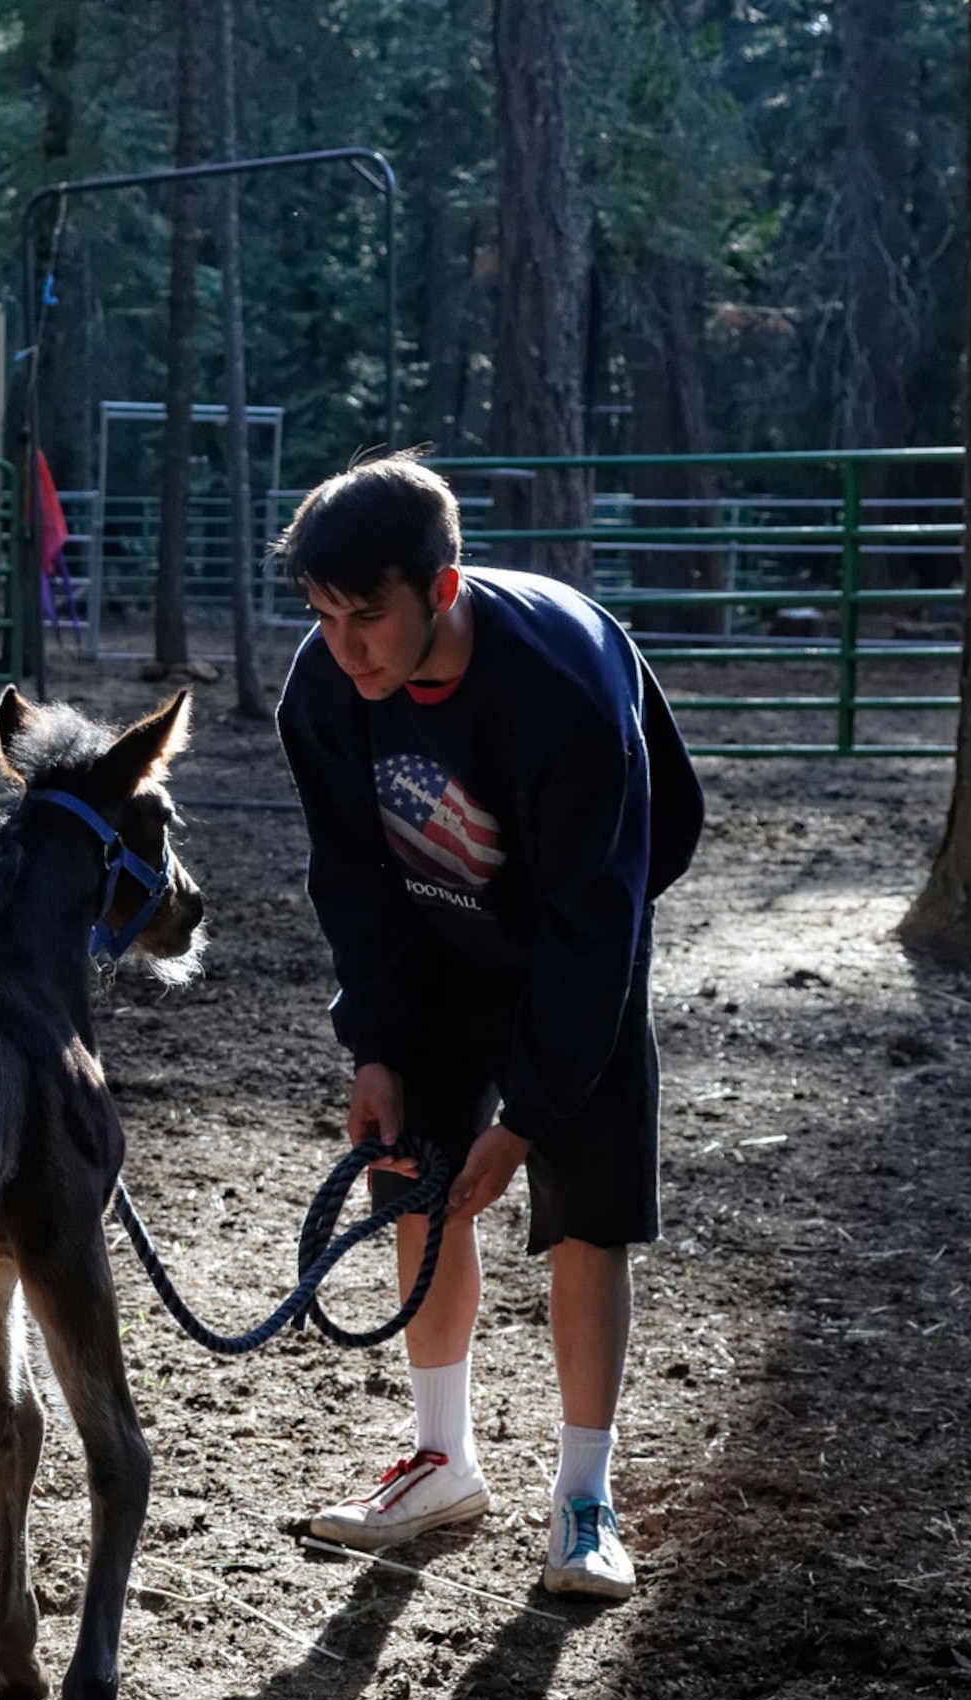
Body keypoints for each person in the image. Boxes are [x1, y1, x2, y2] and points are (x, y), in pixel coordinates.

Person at [272, 455, 702, 1600]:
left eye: (370, 615)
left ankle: (583, 1495)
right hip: (430, 923)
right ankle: (442, 1457)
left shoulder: (558, 682)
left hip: (575, 927)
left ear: (442, 586)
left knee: (585, 1206)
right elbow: (349, 875)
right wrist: (371, 1040)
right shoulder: (324, 689)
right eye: (324, 613)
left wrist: (524, 1120)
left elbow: (595, 912)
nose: (346, 645)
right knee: (414, 1170)